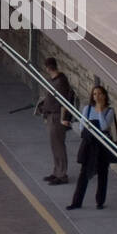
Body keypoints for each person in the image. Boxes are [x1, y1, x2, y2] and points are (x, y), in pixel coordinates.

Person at [68, 84, 115, 210]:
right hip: (90, 144)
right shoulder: (87, 109)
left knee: (102, 173)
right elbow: (82, 127)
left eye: (99, 93)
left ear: (104, 95)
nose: (97, 96)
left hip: (102, 146)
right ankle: (76, 201)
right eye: (94, 94)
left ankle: (100, 201)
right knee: (83, 173)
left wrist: (100, 112)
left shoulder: (109, 111)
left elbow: (104, 126)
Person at [35, 56, 75, 185]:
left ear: (48, 67)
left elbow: (64, 102)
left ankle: (62, 174)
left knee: (59, 146)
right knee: (55, 146)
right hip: (51, 115)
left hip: (58, 116)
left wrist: (64, 118)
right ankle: (57, 171)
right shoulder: (53, 80)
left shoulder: (60, 82)